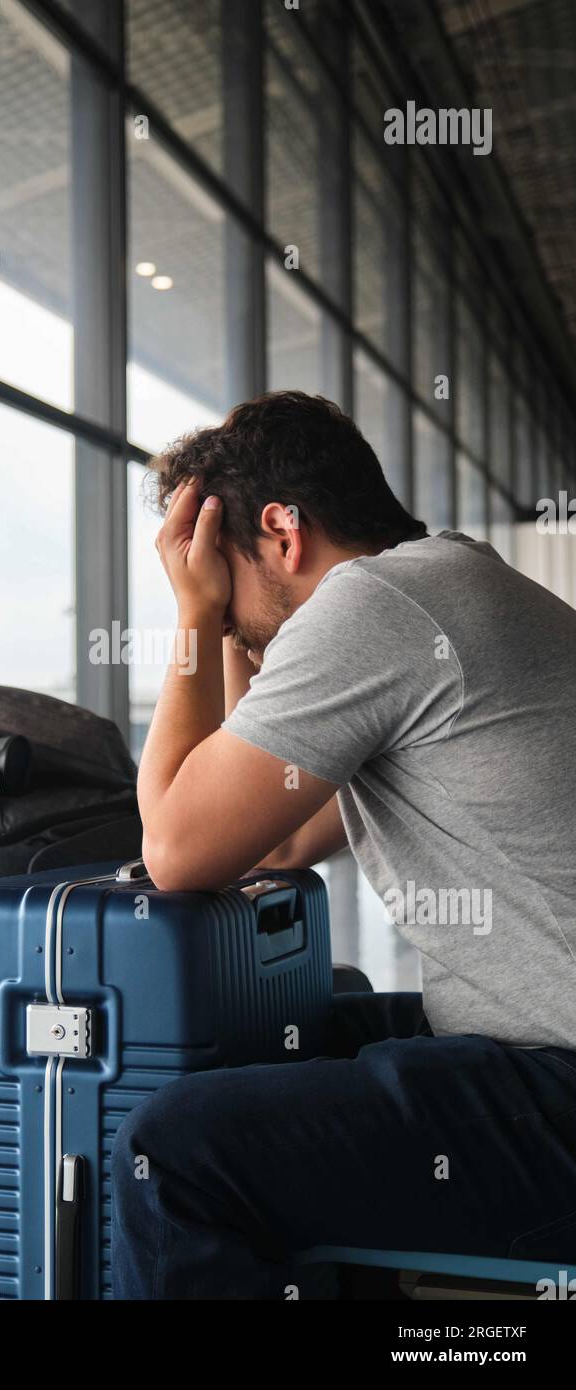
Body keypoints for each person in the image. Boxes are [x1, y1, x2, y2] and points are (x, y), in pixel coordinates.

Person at [110, 390, 576, 1300]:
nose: (217, 595)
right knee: (282, 1035)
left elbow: (175, 846)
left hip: (559, 1084)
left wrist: (199, 621)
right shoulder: (449, 583)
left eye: (219, 563)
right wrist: (242, 621)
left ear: (283, 531)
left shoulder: (377, 605)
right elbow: (280, 840)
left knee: (173, 1155)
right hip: (539, 1050)